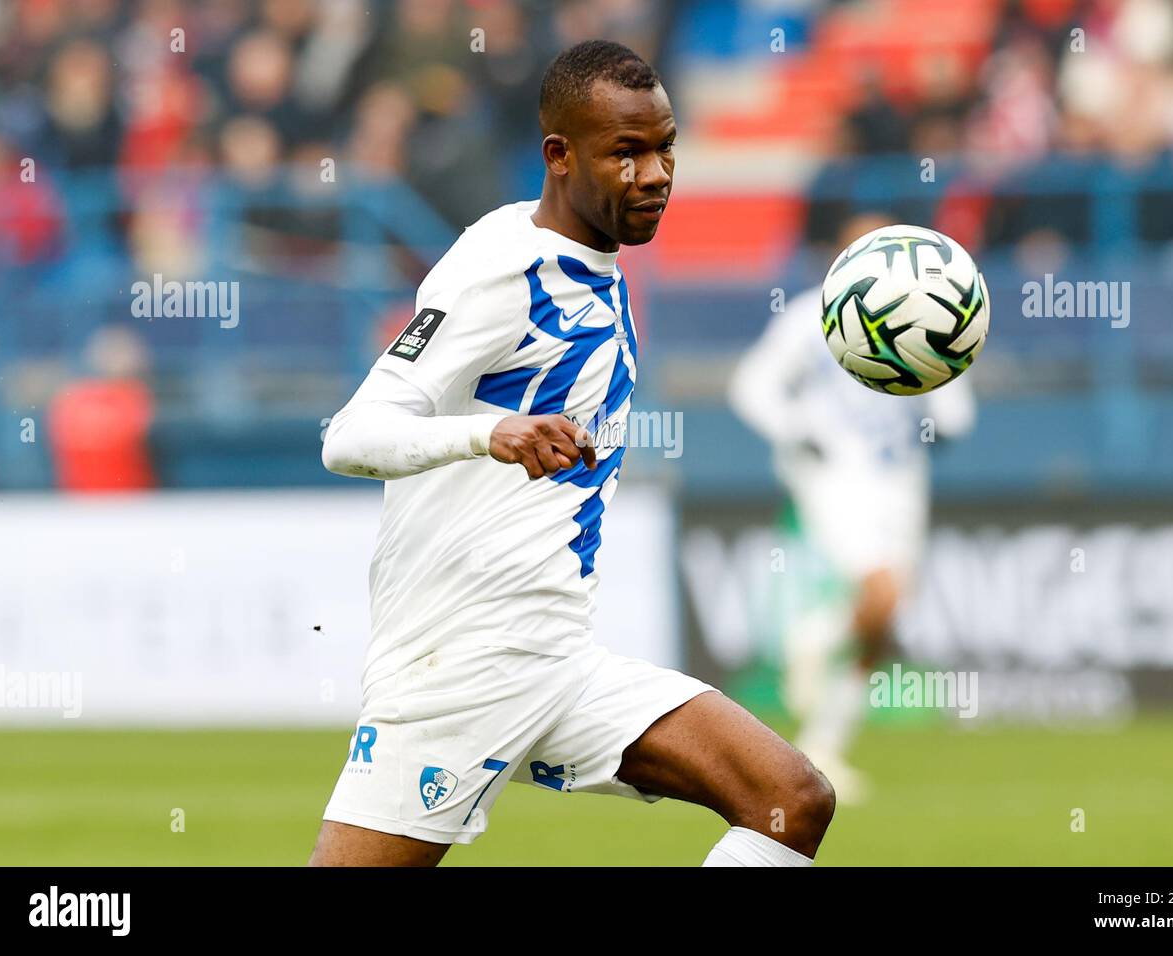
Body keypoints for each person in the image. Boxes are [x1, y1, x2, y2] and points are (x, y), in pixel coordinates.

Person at [310, 40, 834, 868]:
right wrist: (490, 433)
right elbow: (352, 436)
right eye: (625, 153)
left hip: (555, 658)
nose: (655, 173)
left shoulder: (600, 265)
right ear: (559, 156)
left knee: (789, 798)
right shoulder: (501, 263)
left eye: (665, 149)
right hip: (461, 667)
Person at [730, 214, 976, 801]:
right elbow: (752, 385)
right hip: (837, 476)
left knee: (882, 622)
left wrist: (937, 411)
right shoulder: (809, 314)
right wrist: (798, 431)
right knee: (881, 592)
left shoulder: (928, 314)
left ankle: (824, 746)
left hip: (902, 480)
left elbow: (956, 412)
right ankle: (813, 639)